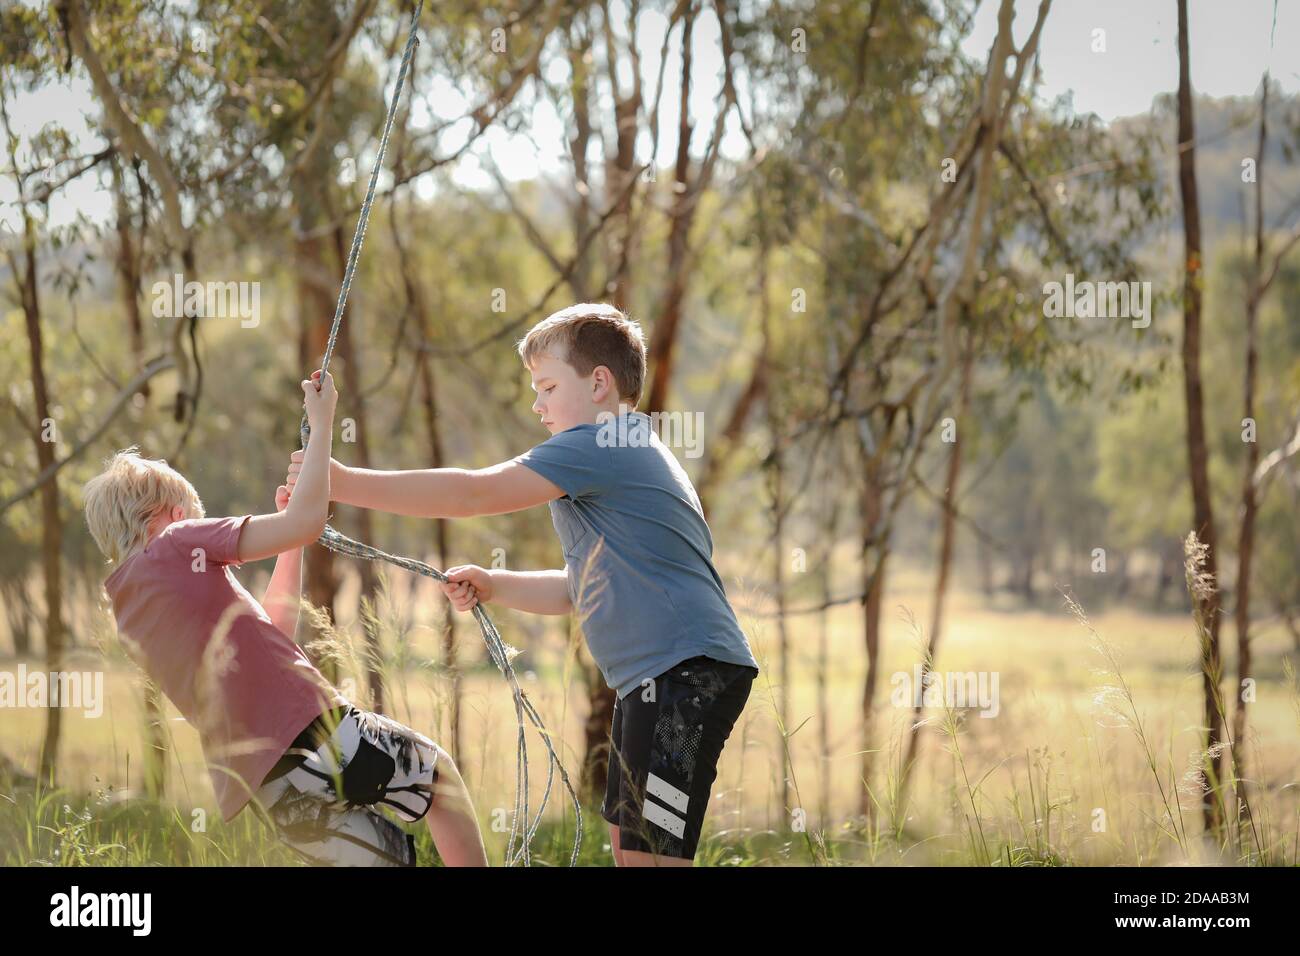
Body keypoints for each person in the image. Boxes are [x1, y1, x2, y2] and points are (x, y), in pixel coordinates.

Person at [285, 304, 759, 866]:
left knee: (655, 855)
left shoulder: (602, 444)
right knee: (633, 850)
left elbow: (472, 494)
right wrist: (494, 584)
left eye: (549, 386)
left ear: (600, 383)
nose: (538, 405)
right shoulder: (618, 453)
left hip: (685, 672)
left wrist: (337, 479)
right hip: (660, 678)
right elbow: (578, 591)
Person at [83, 370, 486, 867]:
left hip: (270, 788)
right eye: (192, 512)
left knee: (389, 860)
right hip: (315, 732)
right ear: (165, 513)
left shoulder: (130, 604)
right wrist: (321, 426)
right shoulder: (177, 542)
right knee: (437, 779)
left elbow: (272, 632)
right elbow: (307, 519)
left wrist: (293, 540)